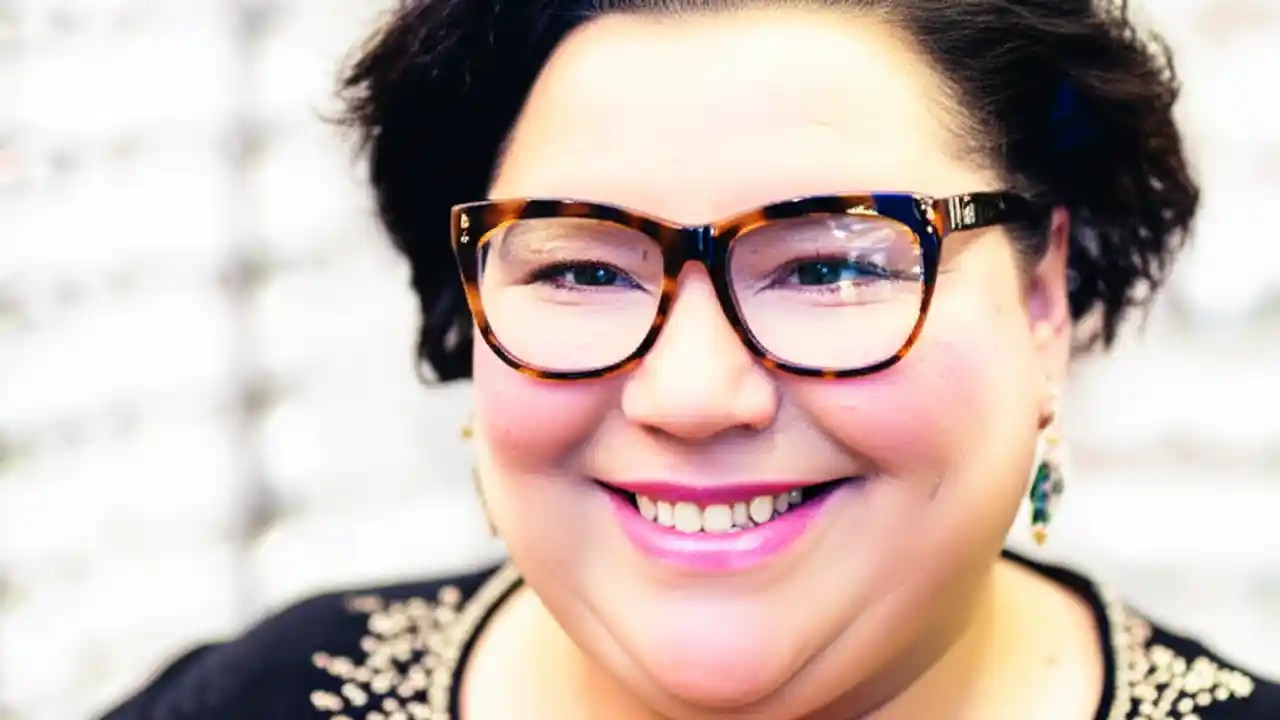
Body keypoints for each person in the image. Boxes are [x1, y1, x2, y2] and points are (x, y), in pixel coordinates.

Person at [104, 1, 1279, 718]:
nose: (690, 395)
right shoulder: (261, 700)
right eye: (580, 270)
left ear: (1037, 299)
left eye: (826, 269)